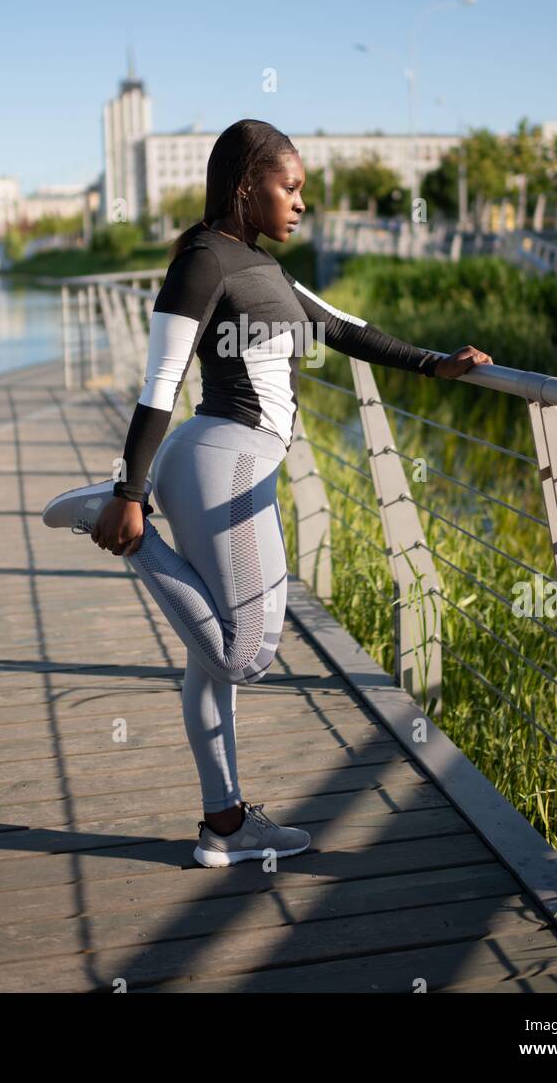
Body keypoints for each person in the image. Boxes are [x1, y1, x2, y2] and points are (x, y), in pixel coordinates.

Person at [50, 118, 492, 868]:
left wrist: (433, 363)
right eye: (290, 188)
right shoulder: (201, 260)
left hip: (225, 460)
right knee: (246, 655)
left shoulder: (262, 268)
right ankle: (121, 525)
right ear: (247, 182)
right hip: (221, 459)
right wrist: (130, 490)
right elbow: (161, 380)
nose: (300, 204)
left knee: (208, 658)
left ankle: (224, 827)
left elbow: (345, 329)